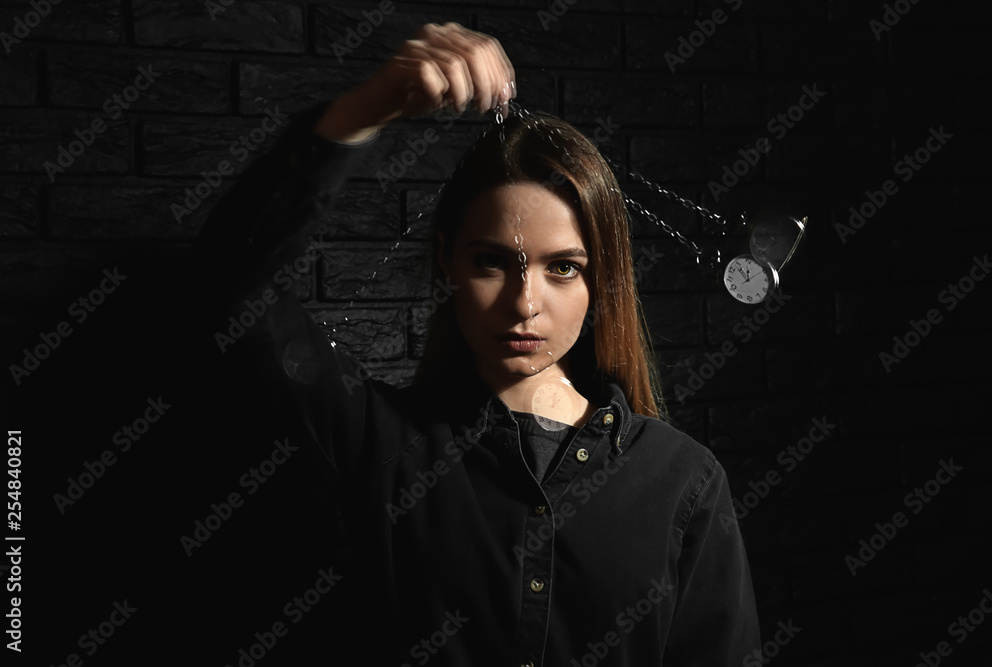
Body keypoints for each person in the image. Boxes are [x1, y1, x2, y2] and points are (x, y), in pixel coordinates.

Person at [189, 22, 760, 666]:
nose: (524, 303)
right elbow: (232, 283)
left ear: (602, 281)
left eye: (563, 267)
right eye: (493, 262)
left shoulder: (683, 481)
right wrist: (366, 108)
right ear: (448, 263)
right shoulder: (374, 441)